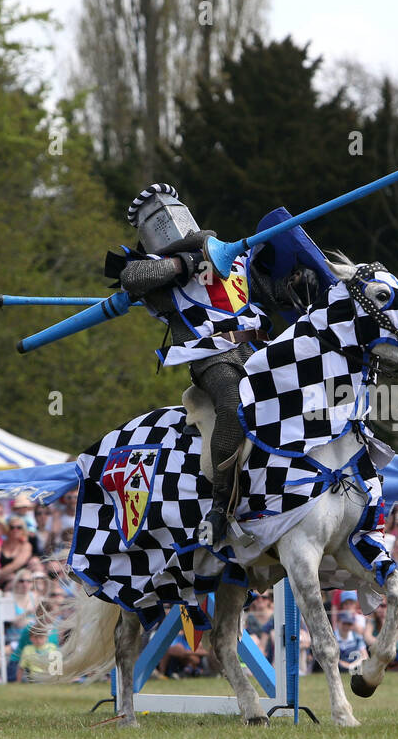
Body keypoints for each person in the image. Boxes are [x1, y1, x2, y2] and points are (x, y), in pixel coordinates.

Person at [110, 185, 329, 545]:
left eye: (172, 211)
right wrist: (186, 262)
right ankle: (219, 507)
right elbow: (132, 279)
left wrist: (296, 284)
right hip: (210, 354)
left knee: (313, 386)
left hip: (260, 346)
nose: (169, 221)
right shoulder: (151, 269)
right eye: (157, 218)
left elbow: (268, 293)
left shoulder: (234, 258)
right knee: (234, 404)